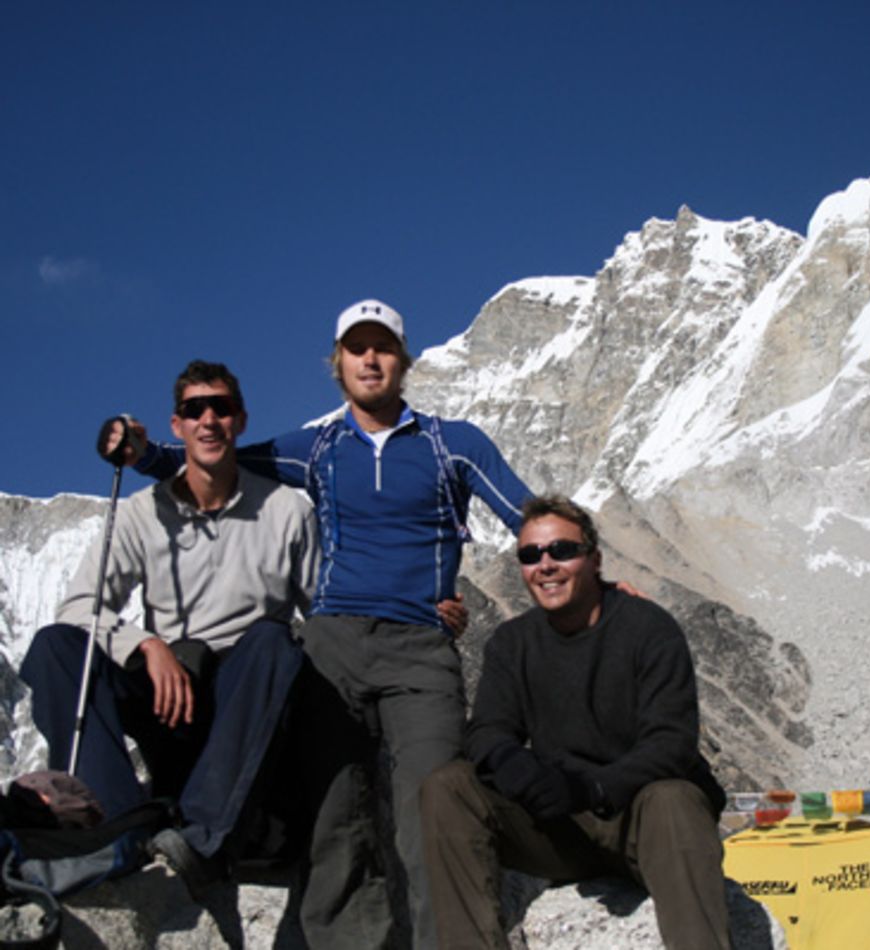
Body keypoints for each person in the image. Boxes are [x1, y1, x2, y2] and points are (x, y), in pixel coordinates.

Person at [126, 300, 533, 948]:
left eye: (383, 348)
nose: (370, 359)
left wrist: (584, 561)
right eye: (356, 349)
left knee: (433, 810)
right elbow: (219, 462)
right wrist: (146, 453)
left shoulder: (454, 443)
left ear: (404, 361)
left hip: (420, 651)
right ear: (337, 365)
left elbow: (527, 516)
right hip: (331, 645)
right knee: (333, 817)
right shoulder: (316, 447)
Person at [19, 360, 316, 897]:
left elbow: (325, 610)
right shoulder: (140, 513)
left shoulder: (287, 511)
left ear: (241, 420)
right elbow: (80, 605)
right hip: (170, 693)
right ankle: (116, 827)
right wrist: (146, 645)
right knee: (55, 647)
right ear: (176, 426)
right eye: (193, 410)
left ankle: (203, 837)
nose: (208, 420)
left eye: (220, 408)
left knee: (273, 640)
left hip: (245, 697)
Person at [419, 495, 731, 950]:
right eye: (530, 555)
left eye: (561, 551)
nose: (545, 565)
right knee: (447, 786)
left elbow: (671, 743)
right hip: (561, 825)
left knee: (675, 797)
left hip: (644, 823)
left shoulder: (649, 629)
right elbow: (488, 730)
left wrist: (594, 789)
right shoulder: (512, 642)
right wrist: (515, 766)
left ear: (595, 559)